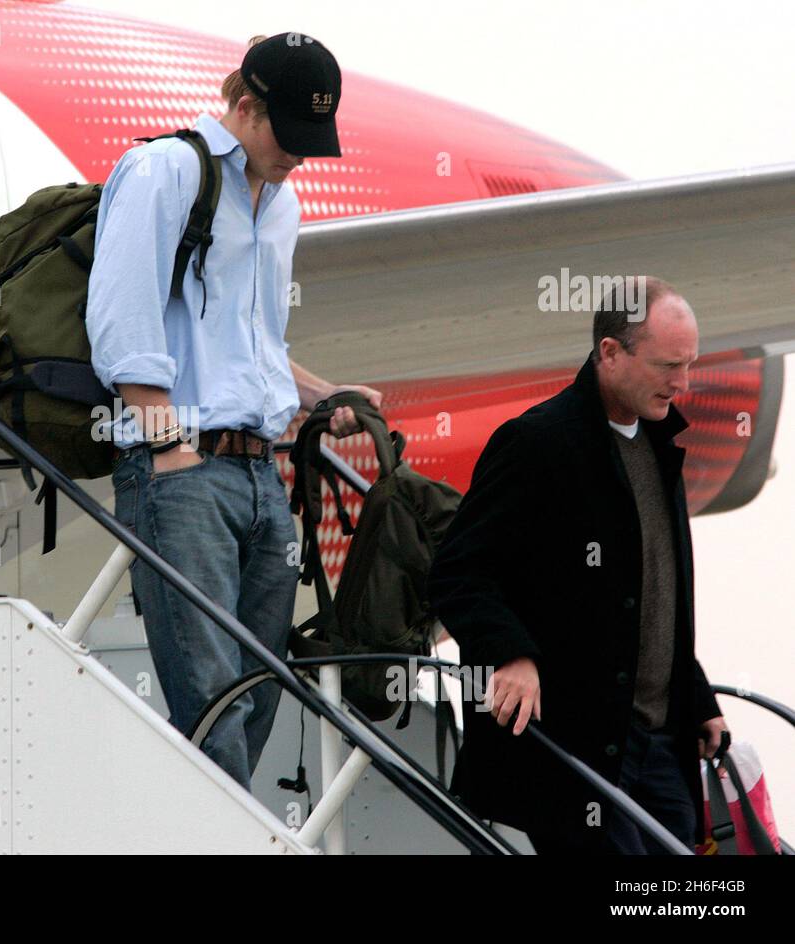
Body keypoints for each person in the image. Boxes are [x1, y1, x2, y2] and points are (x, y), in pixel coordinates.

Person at [86, 33, 382, 789]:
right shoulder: (164, 169)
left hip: (260, 475)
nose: (300, 155)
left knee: (258, 695)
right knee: (211, 699)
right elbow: (122, 321)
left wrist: (324, 397)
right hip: (183, 469)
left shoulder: (280, 203)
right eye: (290, 135)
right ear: (243, 107)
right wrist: (167, 447)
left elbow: (252, 346)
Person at [428, 276, 729, 853]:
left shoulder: (661, 443)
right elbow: (458, 572)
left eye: (690, 364)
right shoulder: (536, 443)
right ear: (610, 353)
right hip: (576, 751)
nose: (683, 383)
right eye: (669, 365)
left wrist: (697, 699)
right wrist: (509, 653)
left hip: (662, 744)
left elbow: (655, 594)